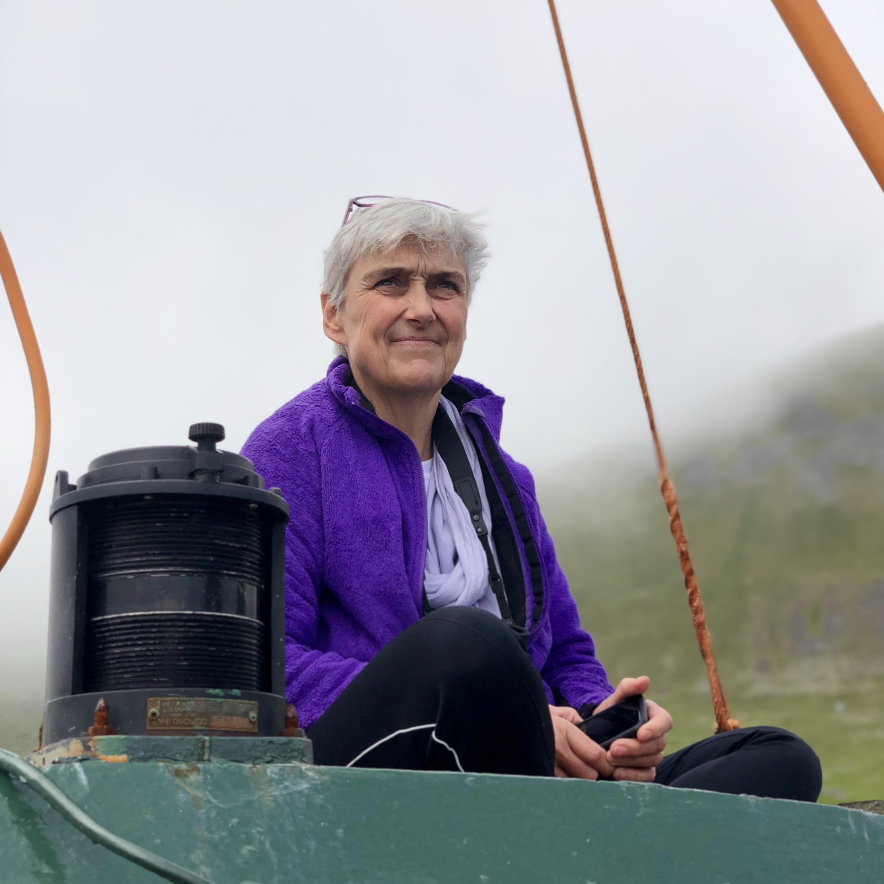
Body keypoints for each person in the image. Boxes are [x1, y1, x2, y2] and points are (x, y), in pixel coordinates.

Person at [242, 196, 821, 799]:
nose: (421, 309)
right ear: (333, 315)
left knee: (780, 757)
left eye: (445, 286)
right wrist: (508, 713)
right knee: (466, 641)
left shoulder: (504, 476)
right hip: (378, 775)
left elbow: (565, 651)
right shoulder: (290, 450)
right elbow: (269, 660)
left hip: (530, 764)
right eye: (390, 283)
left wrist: (606, 719)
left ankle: (603, 834)